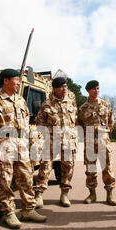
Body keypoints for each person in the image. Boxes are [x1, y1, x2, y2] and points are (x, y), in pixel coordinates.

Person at [0, 69, 47, 229]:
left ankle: (28, 210)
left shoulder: (20, 100)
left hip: (22, 144)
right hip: (5, 144)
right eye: (16, 80)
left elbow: (26, 123)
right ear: (6, 81)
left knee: (26, 178)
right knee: (5, 181)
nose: (18, 83)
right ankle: (9, 213)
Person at [34, 77, 78, 208]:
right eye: (62, 87)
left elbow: (75, 119)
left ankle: (64, 195)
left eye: (66, 86)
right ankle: (39, 195)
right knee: (45, 168)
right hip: (51, 143)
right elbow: (39, 122)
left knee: (68, 169)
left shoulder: (71, 102)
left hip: (69, 142)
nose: (65, 89)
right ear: (54, 89)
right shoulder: (47, 104)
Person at [77, 80, 116, 206]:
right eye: (93, 89)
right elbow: (79, 124)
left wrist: (105, 133)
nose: (96, 91)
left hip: (103, 141)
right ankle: (92, 194)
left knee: (107, 168)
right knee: (91, 169)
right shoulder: (82, 108)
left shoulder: (105, 105)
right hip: (89, 142)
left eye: (98, 88)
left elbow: (111, 121)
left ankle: (109, 195)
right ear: (88, 91)